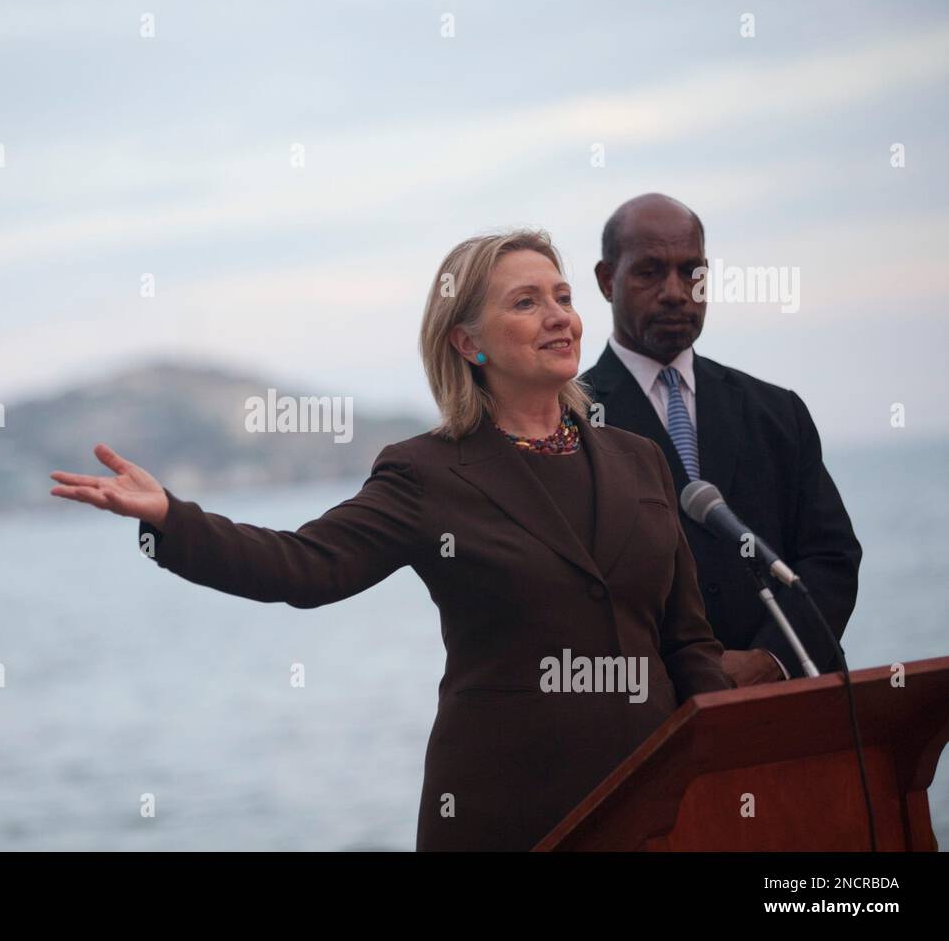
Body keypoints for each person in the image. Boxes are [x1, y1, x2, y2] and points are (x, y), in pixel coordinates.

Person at [50, 228, 735, 851]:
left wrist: (724, 763)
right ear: (469, 343)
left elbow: (687, 640)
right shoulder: (428, 473)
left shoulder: (637, 458)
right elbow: (305, 567)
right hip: (511, 816)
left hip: (659, 811)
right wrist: (173, 516)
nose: (560, 315)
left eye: (562, 296)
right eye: (526, 303)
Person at [580, 193, 862, 684]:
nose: (675, 291)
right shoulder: (570, 420)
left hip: (792, 709)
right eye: (650, 272)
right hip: (651, 721)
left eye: (692, 271)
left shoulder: (777, 411)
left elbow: (831, 558)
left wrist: (767, 661)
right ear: (607, 280)